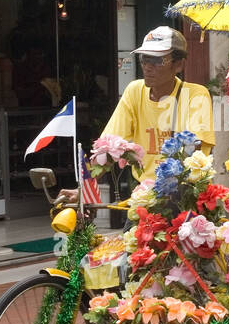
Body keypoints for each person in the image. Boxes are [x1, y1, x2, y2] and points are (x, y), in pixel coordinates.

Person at [57, 26, 215, 202]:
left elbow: (194, 152)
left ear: (178, 65)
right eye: (144, 58)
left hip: (184, 196)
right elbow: (108, 148)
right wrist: (83, 189)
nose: (147, 66)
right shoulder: (134, 91)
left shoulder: (195, 95)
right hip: (145, 195)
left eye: (157, 60)